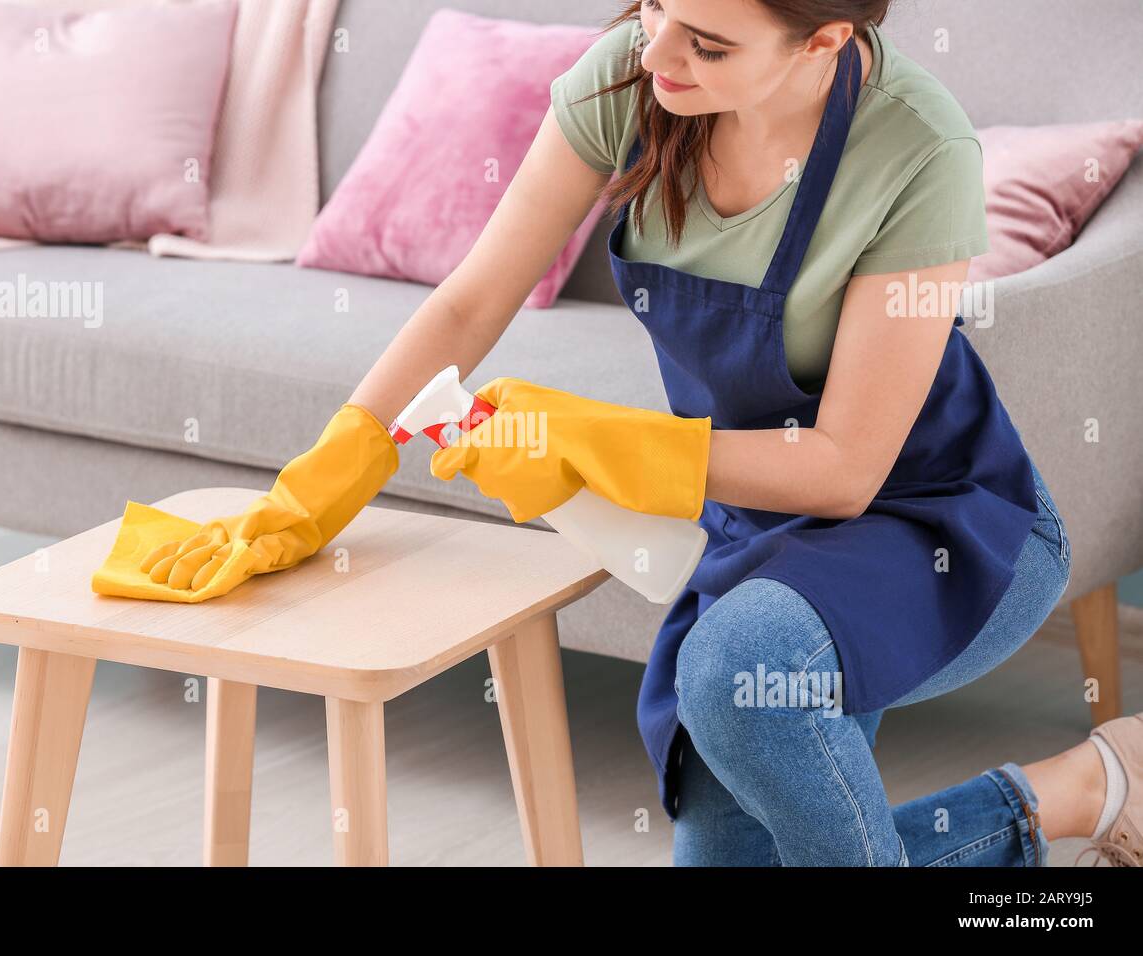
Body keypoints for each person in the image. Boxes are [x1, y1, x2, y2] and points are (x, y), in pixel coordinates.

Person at [123, 0, 1141, 866]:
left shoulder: (916, 147)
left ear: (821, 42)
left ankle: (1068, 791)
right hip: (758, 526)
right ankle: (1069, 793)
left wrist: (591, 437)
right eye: (652, 4)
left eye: (706, 42)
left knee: (734, 673)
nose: (654, 54)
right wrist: (315, 488)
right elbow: (471, 301)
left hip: (938, 525)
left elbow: (842, 469)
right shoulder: (638, 74)